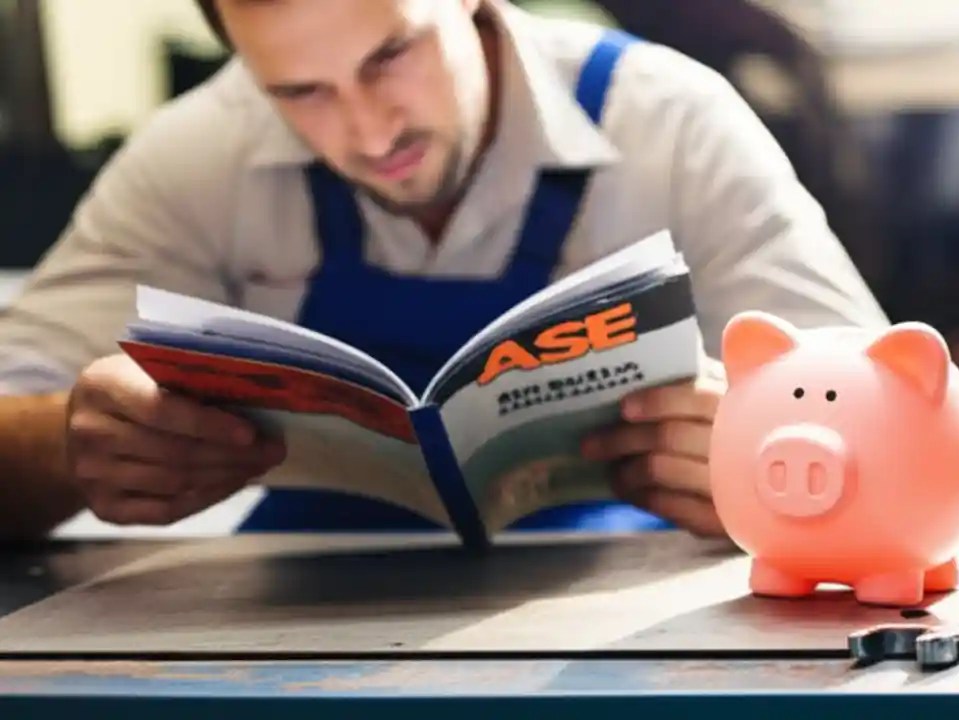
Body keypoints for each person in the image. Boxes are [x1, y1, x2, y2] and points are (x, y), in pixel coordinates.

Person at [0, 0, 888, 542]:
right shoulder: (198, 153)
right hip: (292, 642)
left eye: (391, 56)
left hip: (629, 627)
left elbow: (897, 430)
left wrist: (765, 450)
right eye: (298, 92)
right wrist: (73, 448)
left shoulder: (674, 123)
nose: (369, 133)